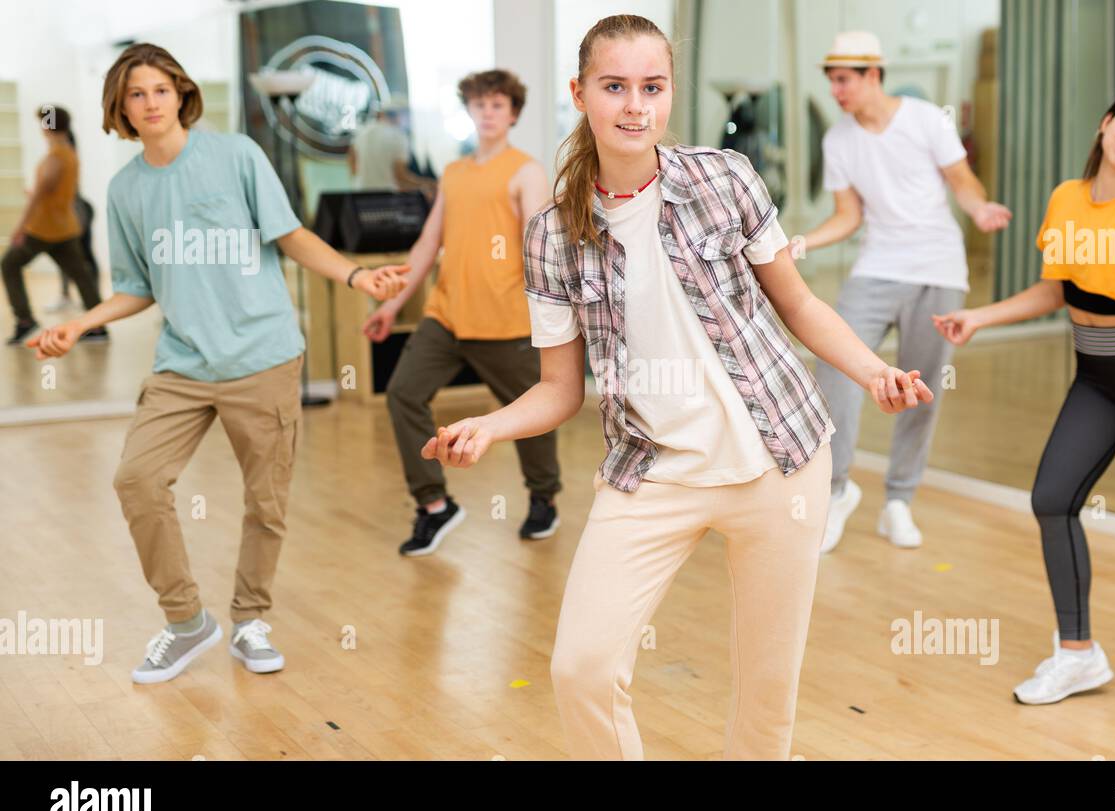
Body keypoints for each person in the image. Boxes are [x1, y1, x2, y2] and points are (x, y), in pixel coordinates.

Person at [423, 14, 934, 760]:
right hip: (651, 473)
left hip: (781, 461)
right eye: (615, 86)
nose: (635, 106)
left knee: (767, 697)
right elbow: (561, 388)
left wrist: (874, 370)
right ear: (581, 93)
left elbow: (799, 304)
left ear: (669, 94)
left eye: (652, 87)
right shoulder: (550, 237)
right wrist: (492, 426)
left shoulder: (725, 179)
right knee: (582, 669)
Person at [28, 43, 408, 685]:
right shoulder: (125, 190)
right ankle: (186, 623)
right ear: (120, 108)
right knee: (137, 480)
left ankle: (250, 620)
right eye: (134, 94)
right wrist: (81, 321)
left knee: (266, 501)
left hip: (262, 357)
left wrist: (355, 275)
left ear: (181, 94)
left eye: (158, 90)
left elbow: (289, 235)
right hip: (182, 364)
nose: (149, 103)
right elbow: (137, 285)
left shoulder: (236, 155)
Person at [935, 81, 1115, 704]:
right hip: (1098, 378)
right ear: (1106, 123)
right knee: (1053, 498)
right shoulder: (1066, 199)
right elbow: (1055, 291)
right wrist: (981, 316)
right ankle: (1078, 654)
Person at [802, 31, 1011, 552]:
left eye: (844, 79)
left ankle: (898, 500)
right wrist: (803, 241)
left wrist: (979, 208)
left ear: (874, 74)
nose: (837, 91)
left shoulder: (924, 119)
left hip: (939, 270)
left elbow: (962, 179)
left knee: (920, 387)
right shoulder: (838, 140)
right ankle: (838, 489)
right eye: (831, 81)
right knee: (834, 366)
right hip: (878, 265)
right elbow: (849, 215)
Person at [363, 69, 562, 554]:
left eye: (498, 104)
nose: (488, 112)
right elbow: (428, 243)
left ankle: (543, 498)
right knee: (404, 394)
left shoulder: (526, 171)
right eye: (480, 104)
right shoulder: (453, 173)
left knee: (531, 417)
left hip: (507, 320)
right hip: (447, 314)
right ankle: (434, 505)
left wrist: (555, 315)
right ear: (470, 111)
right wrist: (391, 304)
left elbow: (540, 247)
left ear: (512, 113)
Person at [3, 106, 103, 345]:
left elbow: (40, 193)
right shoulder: (67, 152)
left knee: (8, 264)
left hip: (44, 229)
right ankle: (97, 327)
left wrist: (20, 227)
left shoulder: (58, 155)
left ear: (49, 125)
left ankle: (25, 321)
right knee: (82, 275)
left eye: (43, 122)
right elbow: (51, 190)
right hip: (64, 228)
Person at [347, 96, 436, 197]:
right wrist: (428, 184)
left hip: (360, 195)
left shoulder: (362, 132)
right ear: (400, 115)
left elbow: (352, 165)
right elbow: (400, 177)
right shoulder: (398, 137)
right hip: (386, 198)